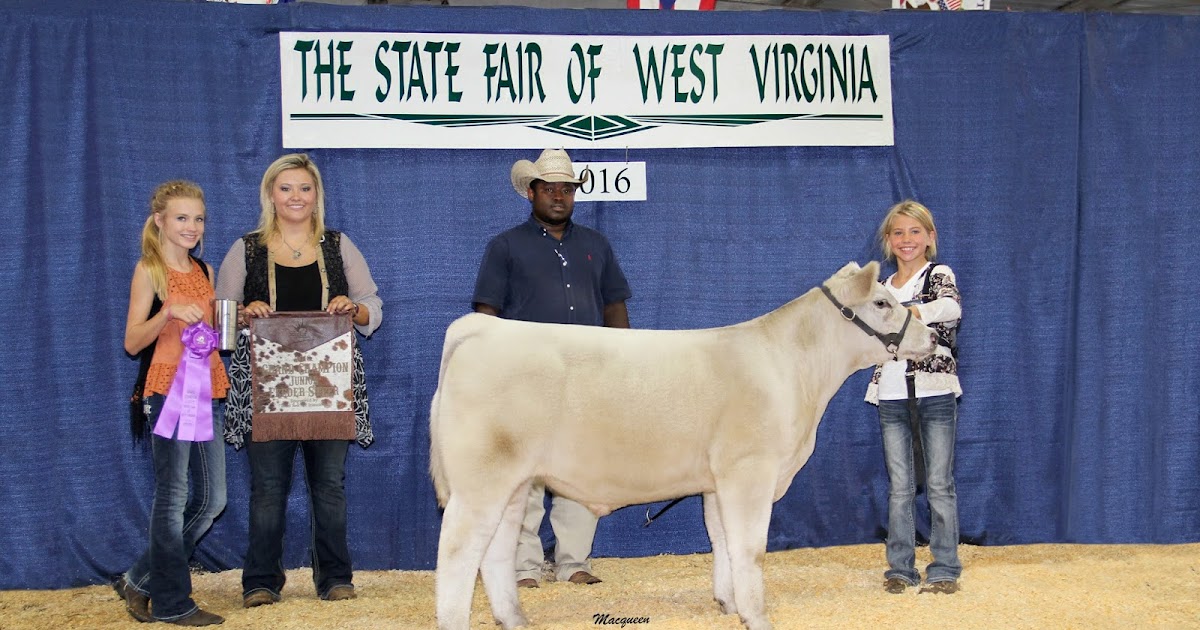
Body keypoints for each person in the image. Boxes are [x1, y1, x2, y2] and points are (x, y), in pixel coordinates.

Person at [216, 153, 382, 608]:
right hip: (267, 389)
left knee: (329, 485)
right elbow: (219, 319)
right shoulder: (245, 249)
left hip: (330, 385)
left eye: (304, 189)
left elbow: (373, 305)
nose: (295, 196)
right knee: (267, 488)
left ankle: (334, 577)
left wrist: (355, 308)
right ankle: (261, 581)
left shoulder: (338, 244)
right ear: (271, 194)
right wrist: (244, 315)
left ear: (316, 196)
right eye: (286, 188)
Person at [472, 148, 632, 588]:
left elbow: (614, 305)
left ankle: (573, 562)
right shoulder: (505, 246)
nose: (559, 196)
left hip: (589, 374)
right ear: (531, 192)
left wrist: (622, 361)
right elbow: (486, 312)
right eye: (549, 188)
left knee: (580, 470)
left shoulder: (596, 245)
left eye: (567, 189)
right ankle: (522, 567)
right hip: (526, 376)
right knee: (525, 474)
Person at [115, 180, 229, 626]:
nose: (192, 226)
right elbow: (131, 341)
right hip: (166, 391)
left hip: (206, 390)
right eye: (182, 218)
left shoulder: (205, 269)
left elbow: (210, 336)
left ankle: (140, 579)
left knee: (212, 498)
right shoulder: (150, 270)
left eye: (198, 219)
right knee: (174, 495)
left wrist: (228, 328)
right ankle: (172, 602)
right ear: (160, 220)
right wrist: (165, 313)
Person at [865, 200, 963, 595]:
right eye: (899, 233)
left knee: (939, 482)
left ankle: (944, 566)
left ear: (930, 238)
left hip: (934, 390)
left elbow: (951, 306)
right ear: (888, 241)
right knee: (900, 484)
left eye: (915, 232)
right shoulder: (880, 287)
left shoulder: (938, 274)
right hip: (890, 391)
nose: (907, 240)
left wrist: (904, 312)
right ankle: (900, 567)